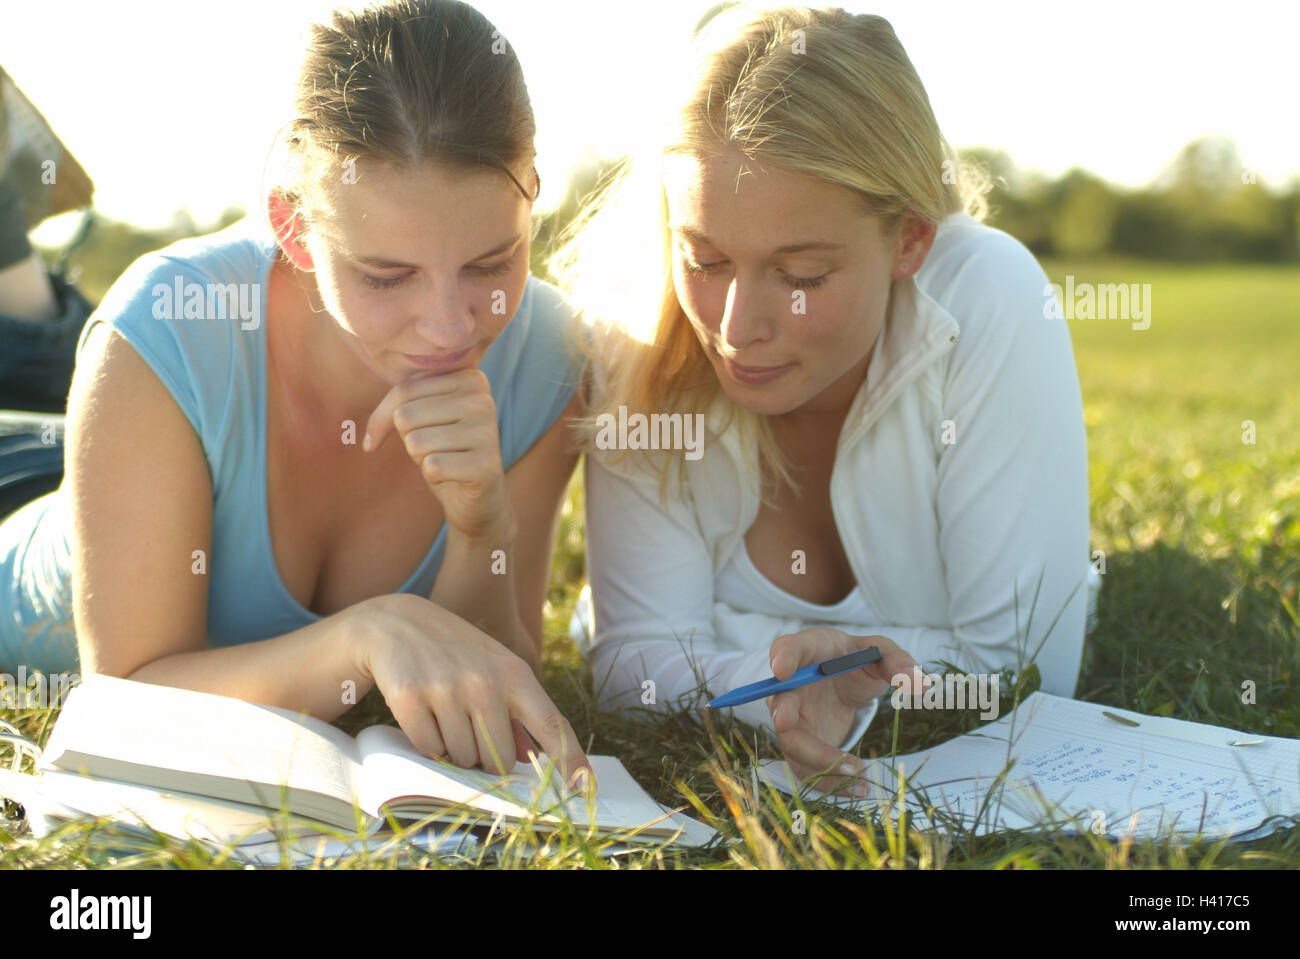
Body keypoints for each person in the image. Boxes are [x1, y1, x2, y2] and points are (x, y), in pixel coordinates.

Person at [0, 0, 592, 787]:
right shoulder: (166, 324)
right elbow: (128, 698)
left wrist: (480, 522)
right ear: (293, 226)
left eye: (492, 263)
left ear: (532, 202)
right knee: (28, 330)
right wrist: (363, 636)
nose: (451, 326)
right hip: (29, 483)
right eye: (386, 275)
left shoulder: (548, 357)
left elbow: (497, 668)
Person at [557, 4, 1101, 794]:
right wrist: (782, 668)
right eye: (704, 258)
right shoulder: (640, 338)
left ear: (910, 238)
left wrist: (727, 650)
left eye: (802, 275)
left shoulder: (991, 295)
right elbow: (631, 670)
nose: (737, 327)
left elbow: (1021, 669)